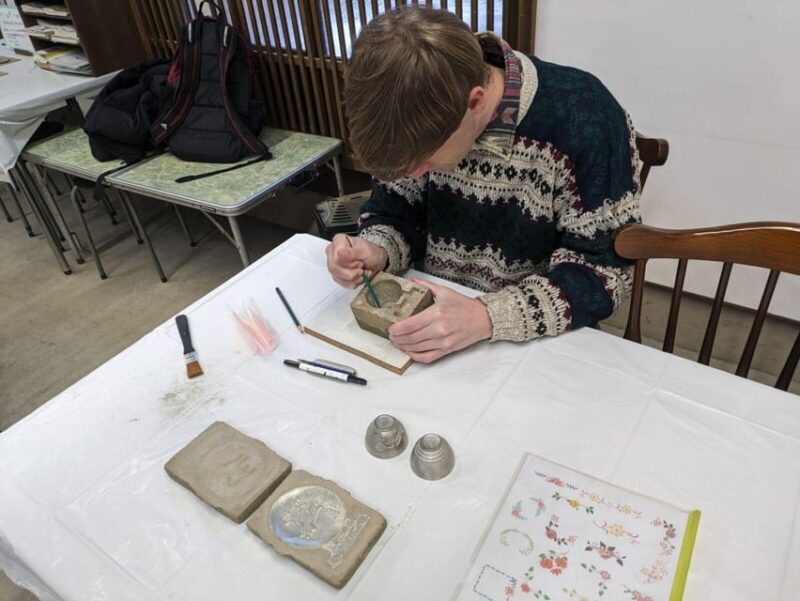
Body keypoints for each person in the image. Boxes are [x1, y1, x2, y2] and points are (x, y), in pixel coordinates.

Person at [325, 7, 642, 363]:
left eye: (425, 161)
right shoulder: (411, 111)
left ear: (474, 102)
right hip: (428, 326)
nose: (414, 175)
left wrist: (487, 316)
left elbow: (603, 275)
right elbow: (394, 212)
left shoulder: (586, 117)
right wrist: (378, 248)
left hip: (531, 345)